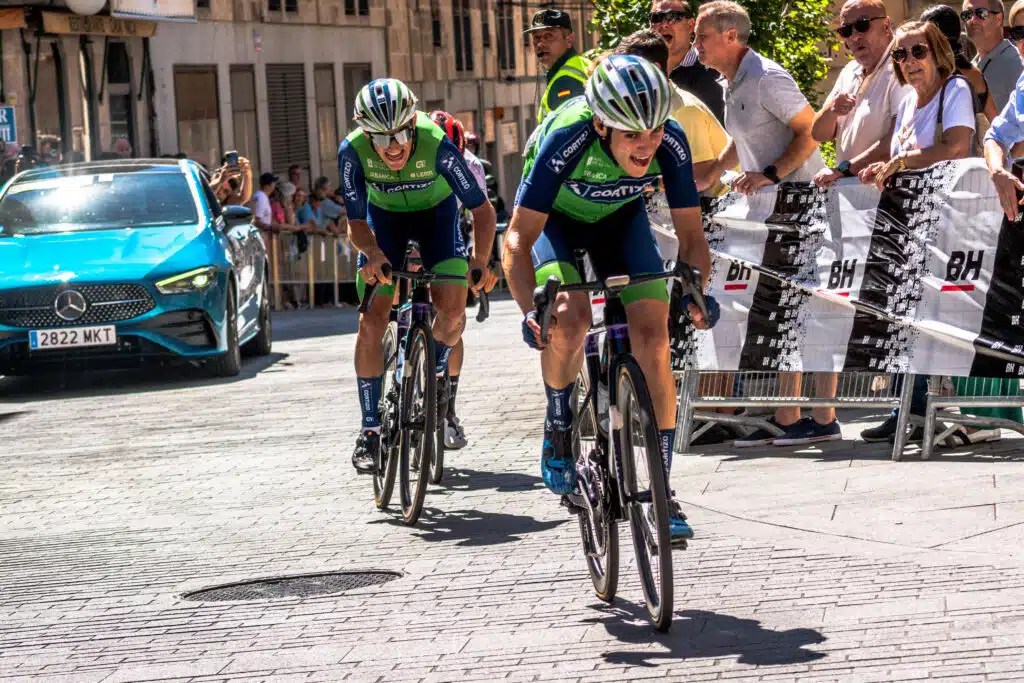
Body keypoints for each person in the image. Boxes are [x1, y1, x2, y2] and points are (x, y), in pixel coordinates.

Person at [503, 54, 719, 542]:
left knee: (654, 339)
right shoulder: (567, 137)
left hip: (620, 222)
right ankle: (559, 416)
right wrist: (528, 312)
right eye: (633, 135)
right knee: (569, 320)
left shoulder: (671, 142)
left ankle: (661, 487)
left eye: (654, 132)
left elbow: (692, 238)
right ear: (602, 123)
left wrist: (695, 292)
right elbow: (516, 239)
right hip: (554, 224)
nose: (647, 146)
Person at [338, 78, 497, 474]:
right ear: (365, 133)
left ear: (412, 124)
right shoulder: (352, 152)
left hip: (437, 221)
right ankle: (370, 429)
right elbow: (355, 222)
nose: (392, 147)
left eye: (399, 134)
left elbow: (482, 210)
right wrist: (372, 253)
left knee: (453, 311)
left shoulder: (437, 144)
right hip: (384, 224)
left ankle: (437, 366)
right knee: (371, 320)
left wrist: (481, 259)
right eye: (380, 137)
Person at [694, 1, 833, 447]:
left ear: (730, 36)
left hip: (800, 204)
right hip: (770, 212)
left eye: (702, 36)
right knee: (774, 310)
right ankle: (786, 415)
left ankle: (819, 417)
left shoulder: (768, 77)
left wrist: (771, 174)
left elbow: (810, 130)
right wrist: (715, 170)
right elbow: (744, 136)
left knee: (801, 311)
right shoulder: (731, 80)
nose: (696, 45)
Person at [428, 110, 491, 451]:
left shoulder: (472, 167)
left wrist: (478, 261)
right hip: (414, 226)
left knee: (454, 319)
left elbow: (477, 216)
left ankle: (448, 406)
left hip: (452, 232)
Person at [813, 0, 912, 188]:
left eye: (862, 25)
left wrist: (843, 170)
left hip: (886, 193)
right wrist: (832, 110)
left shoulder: (902, 66)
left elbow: (897, 139)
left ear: (886, 25)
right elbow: (819, 133)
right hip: (851, 193)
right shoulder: (850, 70)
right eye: (846, 31)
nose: (855, 37)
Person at [923, 4, 998, 146]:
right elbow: (995, 120)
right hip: (975, 160)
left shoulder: (934, 75)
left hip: (943, 158)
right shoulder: (974, 73)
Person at [649, 0, 725, 123]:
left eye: (672, 17)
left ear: (690, 26)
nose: (664, 25)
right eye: (656, 18)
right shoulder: (642, 72)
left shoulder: (714, 72)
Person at [525, 8, 591, 124]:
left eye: (548, 36)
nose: (540, 44)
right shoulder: (582, 63)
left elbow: (569, 134)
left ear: (569, 40)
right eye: (536, 38)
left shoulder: (564, 81)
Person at [964, 0, 1023, 113]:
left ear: (999, 19)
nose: (973, 20)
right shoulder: (970, 67)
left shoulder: (1017, 63)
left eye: (981, 13)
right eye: (967, 14)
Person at [249, 172, 278, 241]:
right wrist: (270, 228)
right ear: (267, 186)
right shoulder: (261, 198)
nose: (274, 185)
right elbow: (256, 220)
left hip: (264, 236)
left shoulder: (263, 197)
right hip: (260, 236)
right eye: (272, 183)